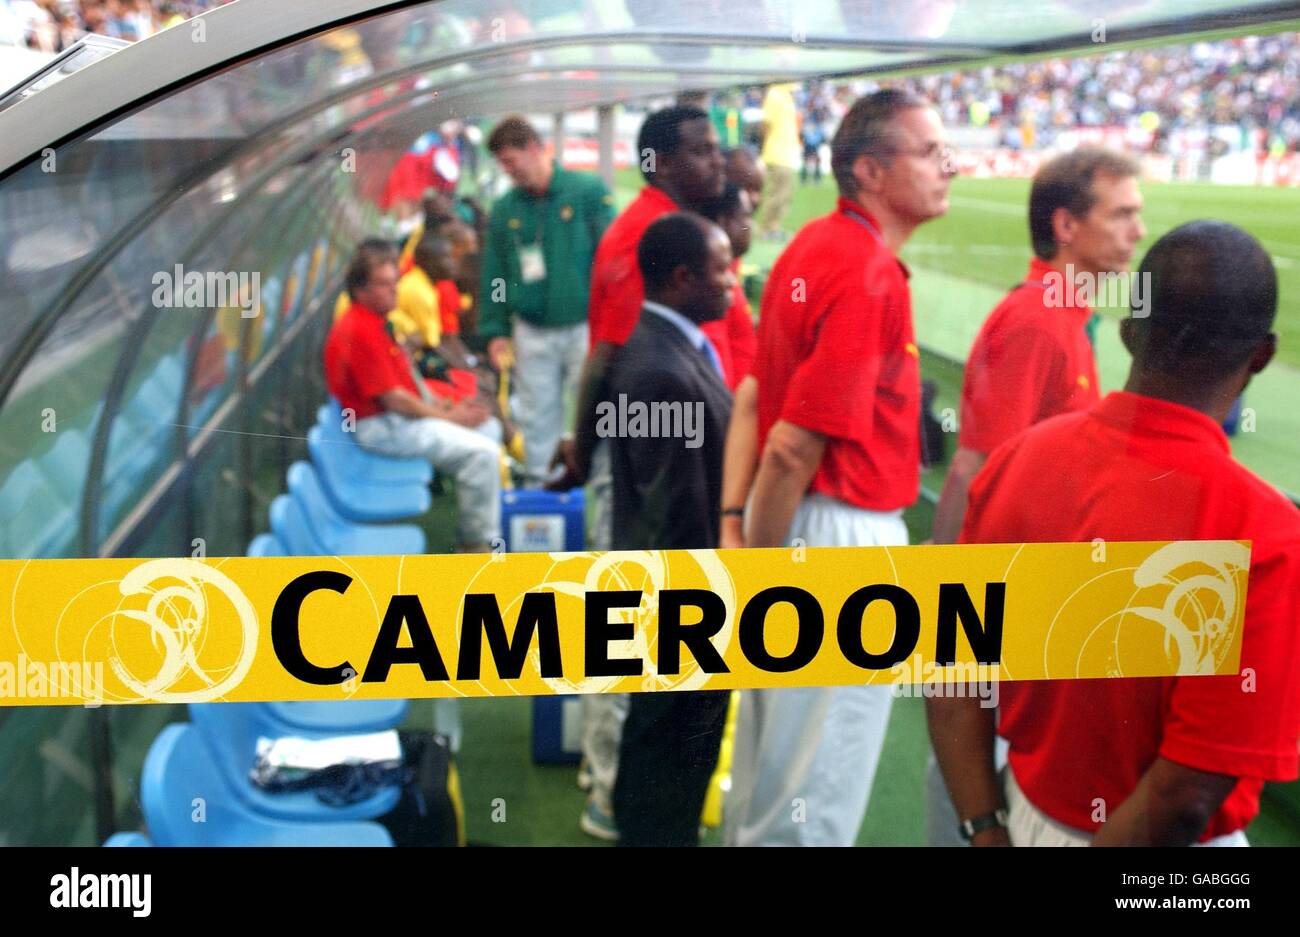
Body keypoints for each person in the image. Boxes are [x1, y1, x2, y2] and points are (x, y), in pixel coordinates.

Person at [929, 221, 1300, 846]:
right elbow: (1185, 798)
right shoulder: (1265, 534)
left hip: (1020, 817)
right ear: (1260, 355)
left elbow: (952, 676)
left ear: (1130, 329)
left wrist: (985, 830)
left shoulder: (1015, 463)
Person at [722, 89, 954, 846]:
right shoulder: (866, 271)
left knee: (772, 771)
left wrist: (746, 532)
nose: (946, 165)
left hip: (805, 525)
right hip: (839, 539)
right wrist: (761, 559)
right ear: (871, 171)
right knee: (814, 790)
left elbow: (756, 395)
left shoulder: (814, 247)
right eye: (927, 151)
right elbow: (791, 442)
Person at [925, 147, 1146, 845]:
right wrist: (951, 608)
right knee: (973, 777)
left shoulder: (1065, 317)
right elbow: (975, 467)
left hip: (1030, 599)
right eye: (1122, 213)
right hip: (1000, 600)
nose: (1136, 231)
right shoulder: (1038, 322)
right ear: (1066, 225)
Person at [551, 104, 725, 841]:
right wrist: (583, 446)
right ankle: (610, 787)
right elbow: (614, 354)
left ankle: (627, 784)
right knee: (631, 628)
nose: (716, 161)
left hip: (657, 461)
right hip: (645, 474)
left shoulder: (672, 230)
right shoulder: (643, 238)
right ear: (660, 162)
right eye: (702, 150)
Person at [606, 213, 737, 846]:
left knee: (669, 752)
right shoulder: (660, 369)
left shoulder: (671, 349)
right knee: (668, 753)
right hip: (679, 604)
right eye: (721, 270)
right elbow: (672, 512)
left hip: (674, 596)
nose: (734, 282)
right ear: (684, 279)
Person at [324, 240, 501, 553]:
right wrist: (450, 418)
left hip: (394, 421)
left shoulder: (377, 321)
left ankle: (475, 527)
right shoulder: (358, 328)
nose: (393, 290)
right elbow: (395, 400)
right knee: (482, 453)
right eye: (382, 284)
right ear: (360, 288)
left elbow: (405, 386)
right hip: (379, 429)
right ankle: (474, 544)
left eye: (394, 282)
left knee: (488, 429)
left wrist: (443, 405)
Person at [479, 115, 613, 486]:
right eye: (502, 164)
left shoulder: (586, 191)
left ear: (535, 148)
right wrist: (495, 329)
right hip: (531, 329)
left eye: (511, 161)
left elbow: (613, 257)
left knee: (595, 411)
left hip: (583, 327)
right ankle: (539, 497)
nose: (508, 171)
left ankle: (603, 485)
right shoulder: (506, 208)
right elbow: (495, 273)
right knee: (537, 415)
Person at [755, 83, 801, 240]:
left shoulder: (787, 95)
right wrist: (765, 146)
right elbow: (766, 123)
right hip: (777, 153)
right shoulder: (775, 93)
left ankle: (773, 227)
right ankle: (768, 229)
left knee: (784, 194)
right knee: (778, 194)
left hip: (786, 153)